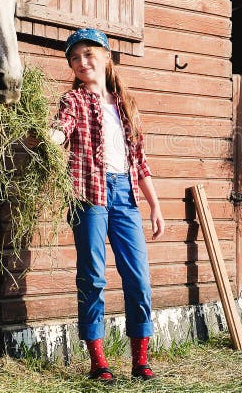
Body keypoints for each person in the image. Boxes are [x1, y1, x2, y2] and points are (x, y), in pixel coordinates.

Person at [50, 28, 166, 381]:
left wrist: (155, 205)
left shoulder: (126, 105)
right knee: (93, 278)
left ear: (106, 56)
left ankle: (140, 359)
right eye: (75, 58)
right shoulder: (73, 101)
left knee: (138, 279)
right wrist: (49, 139)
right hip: (88, 195)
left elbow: (140, 162)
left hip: (125, 198)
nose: (82, 62)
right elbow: (61, 128)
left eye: (88, 54)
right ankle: (98, 361)